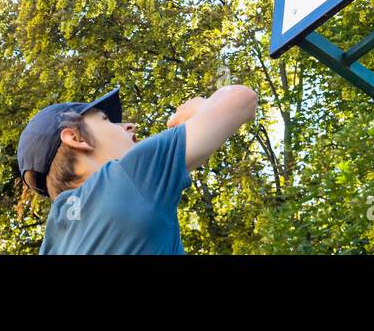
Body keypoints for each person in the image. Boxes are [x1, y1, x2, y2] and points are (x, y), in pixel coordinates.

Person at [16, 84, 257, 254]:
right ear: (76, 138)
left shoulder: (53, 243)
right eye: (106, 120)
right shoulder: (125, 177)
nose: (129, 125)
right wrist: (198, 107)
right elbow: (240, 99)